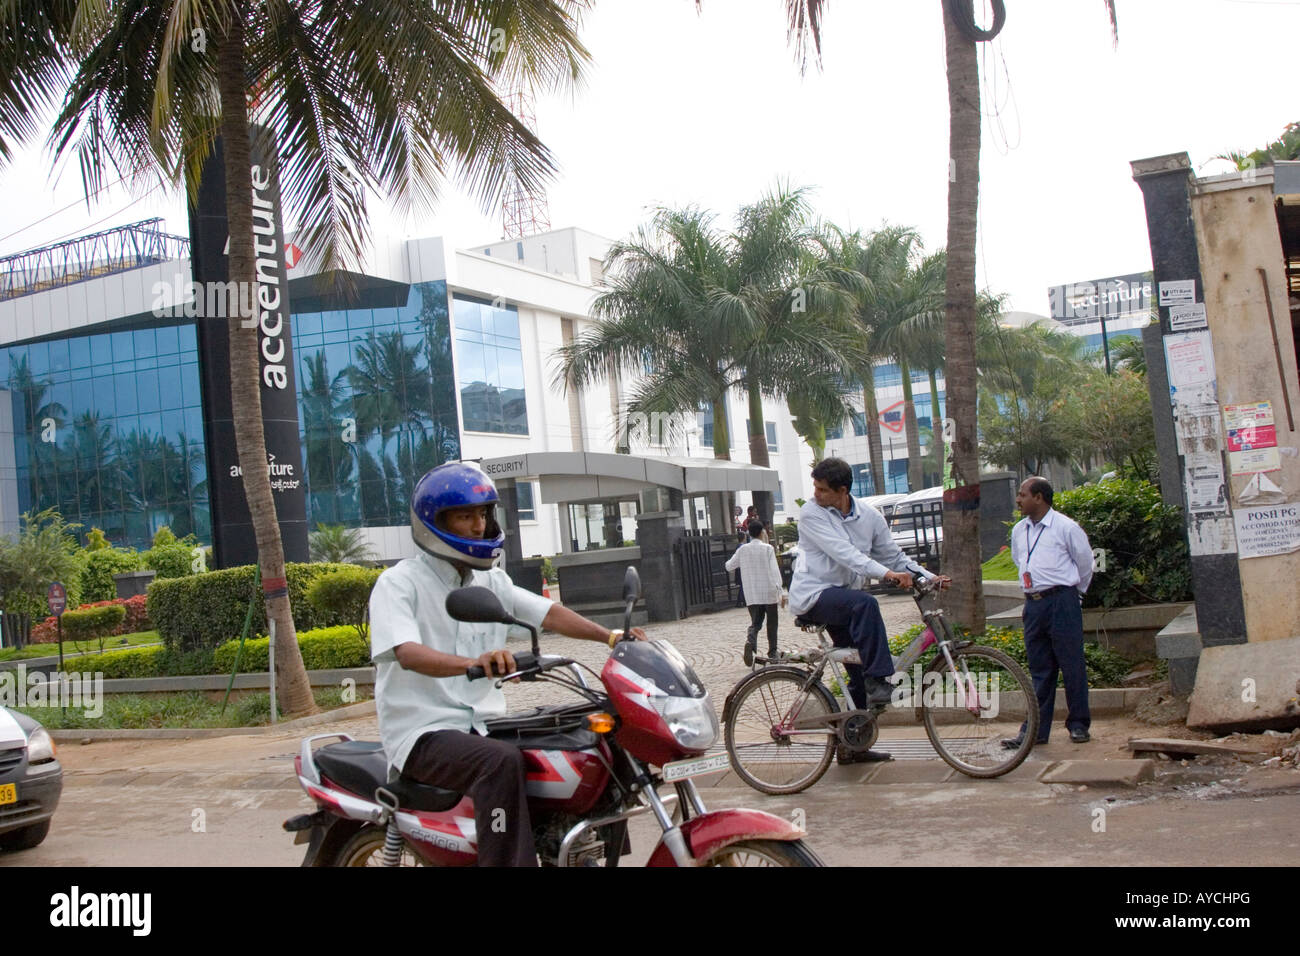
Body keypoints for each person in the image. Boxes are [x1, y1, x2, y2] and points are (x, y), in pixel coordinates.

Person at [368, 461, 645, 866]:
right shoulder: (399, 583)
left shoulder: (490, 581)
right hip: (423, 731)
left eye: (482, 515)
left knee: (591, 733)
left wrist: (609, 637)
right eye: (465, 516)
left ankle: (579, 852)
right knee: (500, 763)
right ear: (435, 522)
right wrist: (472, 663)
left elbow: (547, 613)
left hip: (484, 724)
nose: (478, 526)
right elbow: (407, 653)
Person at [788, 457, 947, 764]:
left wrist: (927, 576)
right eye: (815, 488)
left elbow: (893, 554)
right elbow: (845, 555)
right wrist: (887, 576)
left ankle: (853, 745)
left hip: (844, 601)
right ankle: (880, 681)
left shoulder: (870, 517)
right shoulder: (811, 513)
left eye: (822, 489)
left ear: (842, 490)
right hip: (816, 595)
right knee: (867, 604)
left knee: (857, 673)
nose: (815, 494)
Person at [1003, 476, 1095, 749]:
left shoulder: (1066, 527)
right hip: (1033, 604)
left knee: (1072, 665)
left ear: (1039, 498)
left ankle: (1078, 724)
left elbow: (1085, 563)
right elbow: (1020, 559)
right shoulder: (1020, 530)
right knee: (1039, 669)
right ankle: (1036, 731)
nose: (1018, 500)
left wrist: (1076, 595)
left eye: (1022, 495)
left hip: (1061, 601)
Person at [725, 518, 786, 666]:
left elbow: (728, 566)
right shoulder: (767, 549)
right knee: (772, 624)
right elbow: (774, 571)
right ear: (761, 532)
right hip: (769, 592)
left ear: (749, 534)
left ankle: (750, 639)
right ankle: (772, 652)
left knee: (756, 622)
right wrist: (781, 591)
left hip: (752, 594)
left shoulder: (743, 550)